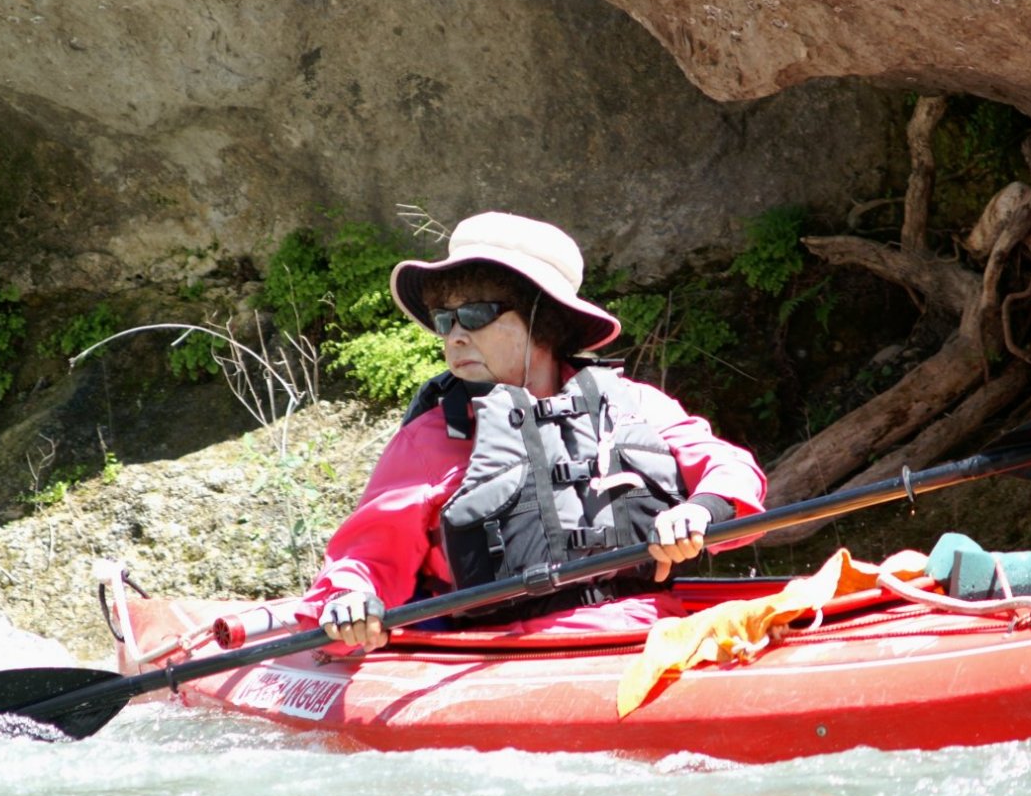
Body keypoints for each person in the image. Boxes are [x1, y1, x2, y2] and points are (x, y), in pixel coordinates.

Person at [306, 211, 767, 652]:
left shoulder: (635, 404)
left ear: (541, 318)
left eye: (475, 314)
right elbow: (365, 560)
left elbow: (730, 469)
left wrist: (701, 511)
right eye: (445, 320)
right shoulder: (431, 439)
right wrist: (350, 596)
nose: (454, 337)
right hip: (510, 654)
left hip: (652, 633)